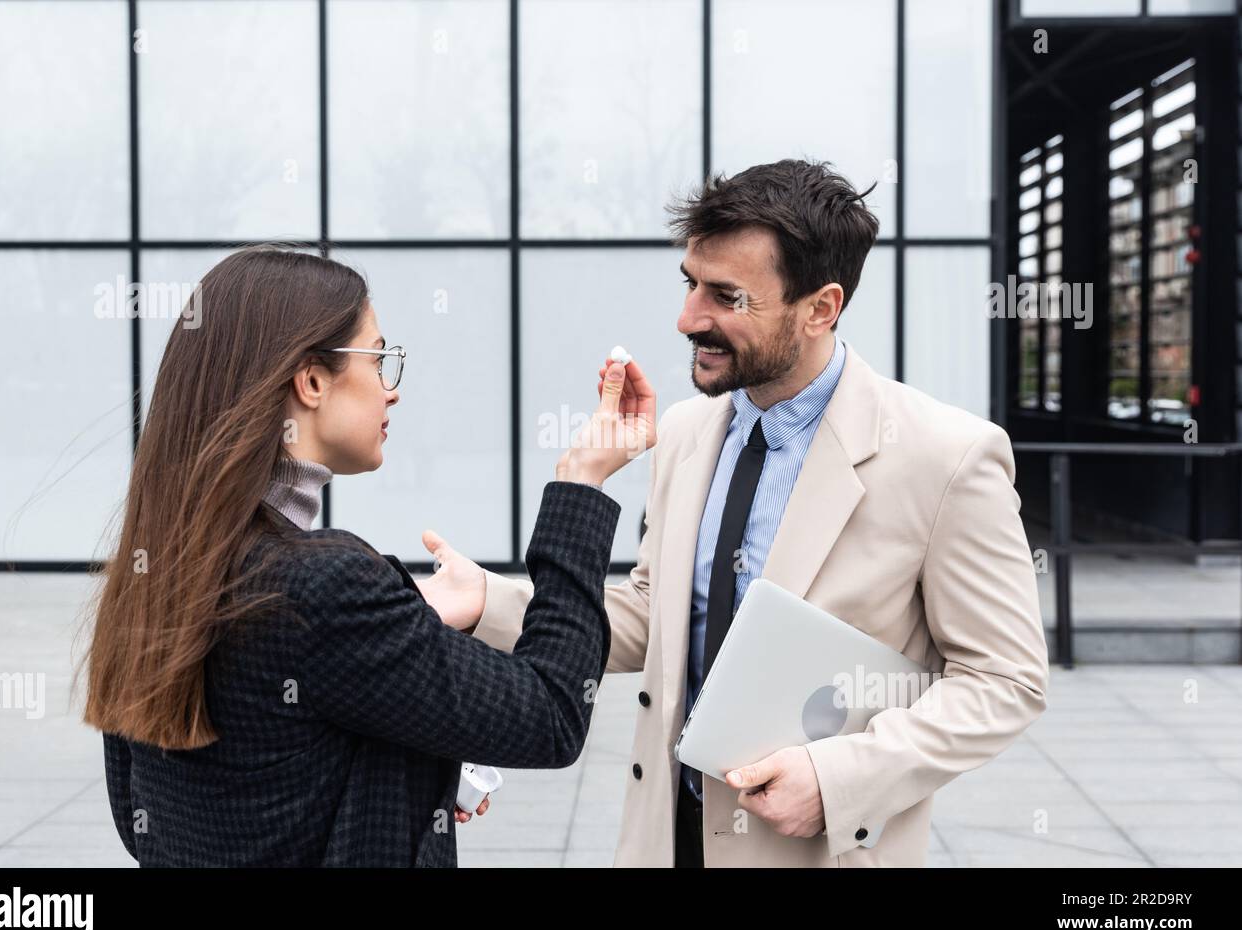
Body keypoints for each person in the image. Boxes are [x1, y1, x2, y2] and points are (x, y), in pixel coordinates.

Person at [419, 159, 1050, 867]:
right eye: (690, 283)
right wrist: (493, 602)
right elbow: (655, 613)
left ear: (820, 307)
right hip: (666, 839)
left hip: (813, 850)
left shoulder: (948, 456)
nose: (688, 318)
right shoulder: (688, 430)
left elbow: (1006, 680)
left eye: (726, 296)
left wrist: (839, 778)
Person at [81, 245, 656, 866]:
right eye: (379, 359)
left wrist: (412, 765)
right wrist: (581, 484)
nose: (391, 391)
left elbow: (141, 815)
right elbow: (551, 713)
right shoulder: (322, 584)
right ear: (310, 379)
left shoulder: (156, 566)